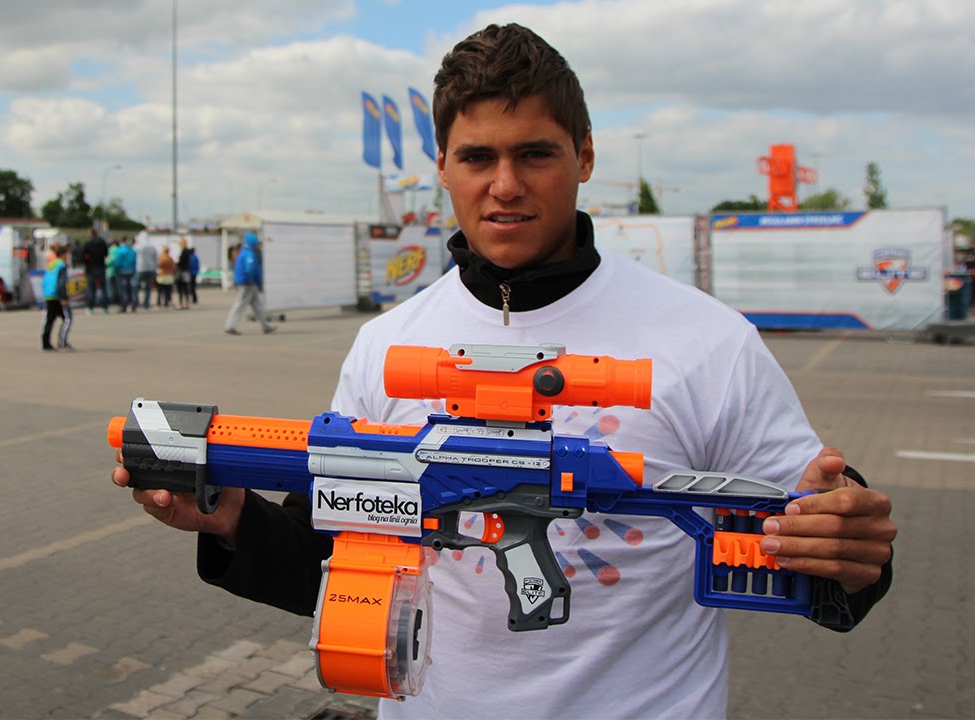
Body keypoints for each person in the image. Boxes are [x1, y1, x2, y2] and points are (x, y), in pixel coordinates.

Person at [113, 24, 895, 719]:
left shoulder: (706, 339)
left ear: (585, 156)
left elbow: (821, 529)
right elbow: (333, 559)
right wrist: (228, 518)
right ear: (443, 167)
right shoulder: (388, 345)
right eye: (478, 157)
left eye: (535, 154)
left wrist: (848, 538)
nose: (506, 184)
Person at [222, 232, 274, 334]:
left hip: (246, 282)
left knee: (257, 306)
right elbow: (250, 268)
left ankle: (266, 326)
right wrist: (252, 280)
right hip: (248, 284)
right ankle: (230, 326)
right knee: (240, 304)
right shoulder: (249, 254)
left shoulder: (243, 252)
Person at [40, 245, 73, 351]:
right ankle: (62, 342)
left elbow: (46, 279)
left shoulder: (51, 264)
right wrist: (63, 296)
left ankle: (45, 343)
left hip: (49, 294)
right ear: (63, 255)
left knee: (50, 319)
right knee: (67, 318)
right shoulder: (62, 265)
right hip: (57, 294)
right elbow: (61, 282)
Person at [82, 228, 110, 314]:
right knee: (103, 288)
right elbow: (106, 254)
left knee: (91, 288)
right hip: (101, 266)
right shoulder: (102, 242)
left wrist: (87, 263)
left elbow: (84, 256)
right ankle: (105, 307)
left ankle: (90, 307)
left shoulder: (88, 243)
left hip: (91, 267)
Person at [112, 237, 138, 312]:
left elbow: (117, 262)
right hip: (131, 271)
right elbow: (135, 261)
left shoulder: (119, 251)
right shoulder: (133, 251)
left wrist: (117, 269)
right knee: (132, 289)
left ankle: (123, 305)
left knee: (122, 289)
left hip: (121, 271)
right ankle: (133, 305)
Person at [135, 240, 158, 310]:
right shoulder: (152, 247)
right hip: (150, 269)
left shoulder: (138, 246)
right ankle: (146, 304)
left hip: (140, 269)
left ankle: (136, 302)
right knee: (148, 288)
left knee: (136, 287)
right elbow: (155, 259)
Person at [175, 238, 193, 309]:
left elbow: (180, 262)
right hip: (187, 271)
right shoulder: (188, 251)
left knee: (180, 287)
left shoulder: (183, 251)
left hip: (181, 271)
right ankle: (187, 303)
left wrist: (176, 263)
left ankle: (180, 303)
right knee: (185, 287)